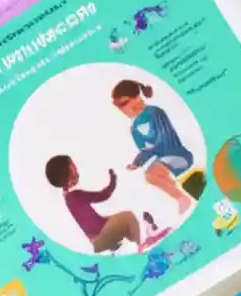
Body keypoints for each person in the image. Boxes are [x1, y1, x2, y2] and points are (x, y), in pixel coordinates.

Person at [111, 80, 195, 213]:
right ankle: (180, 195)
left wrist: (152, 151)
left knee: (152, 172)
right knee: (149, 175)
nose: (123, 109)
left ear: (137, 97)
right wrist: (136, 163)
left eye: (124, 103)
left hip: (178, 154)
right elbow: (145, 151)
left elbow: (165, 139)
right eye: (118, 106)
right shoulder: (134, 129)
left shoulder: (154, 113)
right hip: (162, 161)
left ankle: (183, 198)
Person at [44, 156, 140, 254]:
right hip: (99, 236)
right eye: (74, 167)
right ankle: (140, 246)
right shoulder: (74, 196)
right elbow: (104, 195)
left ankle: (122, 243)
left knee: (116, 220)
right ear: (69, 170)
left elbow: (90, 221)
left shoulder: (68, 196)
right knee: (128, 217)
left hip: (96, 236)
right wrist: (113, 181)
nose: (77, 169)